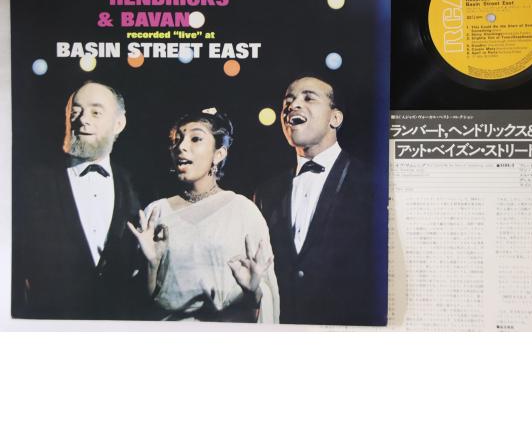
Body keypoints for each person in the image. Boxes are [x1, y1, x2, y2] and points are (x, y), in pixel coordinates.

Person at [128, 108, 279, 323]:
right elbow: (139, 303)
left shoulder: (243, 211)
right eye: (176, 140)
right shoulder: (156, 212)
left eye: (195, 138)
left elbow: (266, 292)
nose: (181, 147)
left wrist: (253, 291)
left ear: (219, 154)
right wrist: (151, 265)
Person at [12, 81, 148, 320]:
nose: (82, 119)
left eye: (96, 112)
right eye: (75, 112)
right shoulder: (30, 183)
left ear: (119, 123)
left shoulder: (138, 186)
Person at [254, 76, 382, 326]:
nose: (292, 106)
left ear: (335, 118)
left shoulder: (371, 182)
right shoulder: (266, 193)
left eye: (308, 98)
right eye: (287, 102)